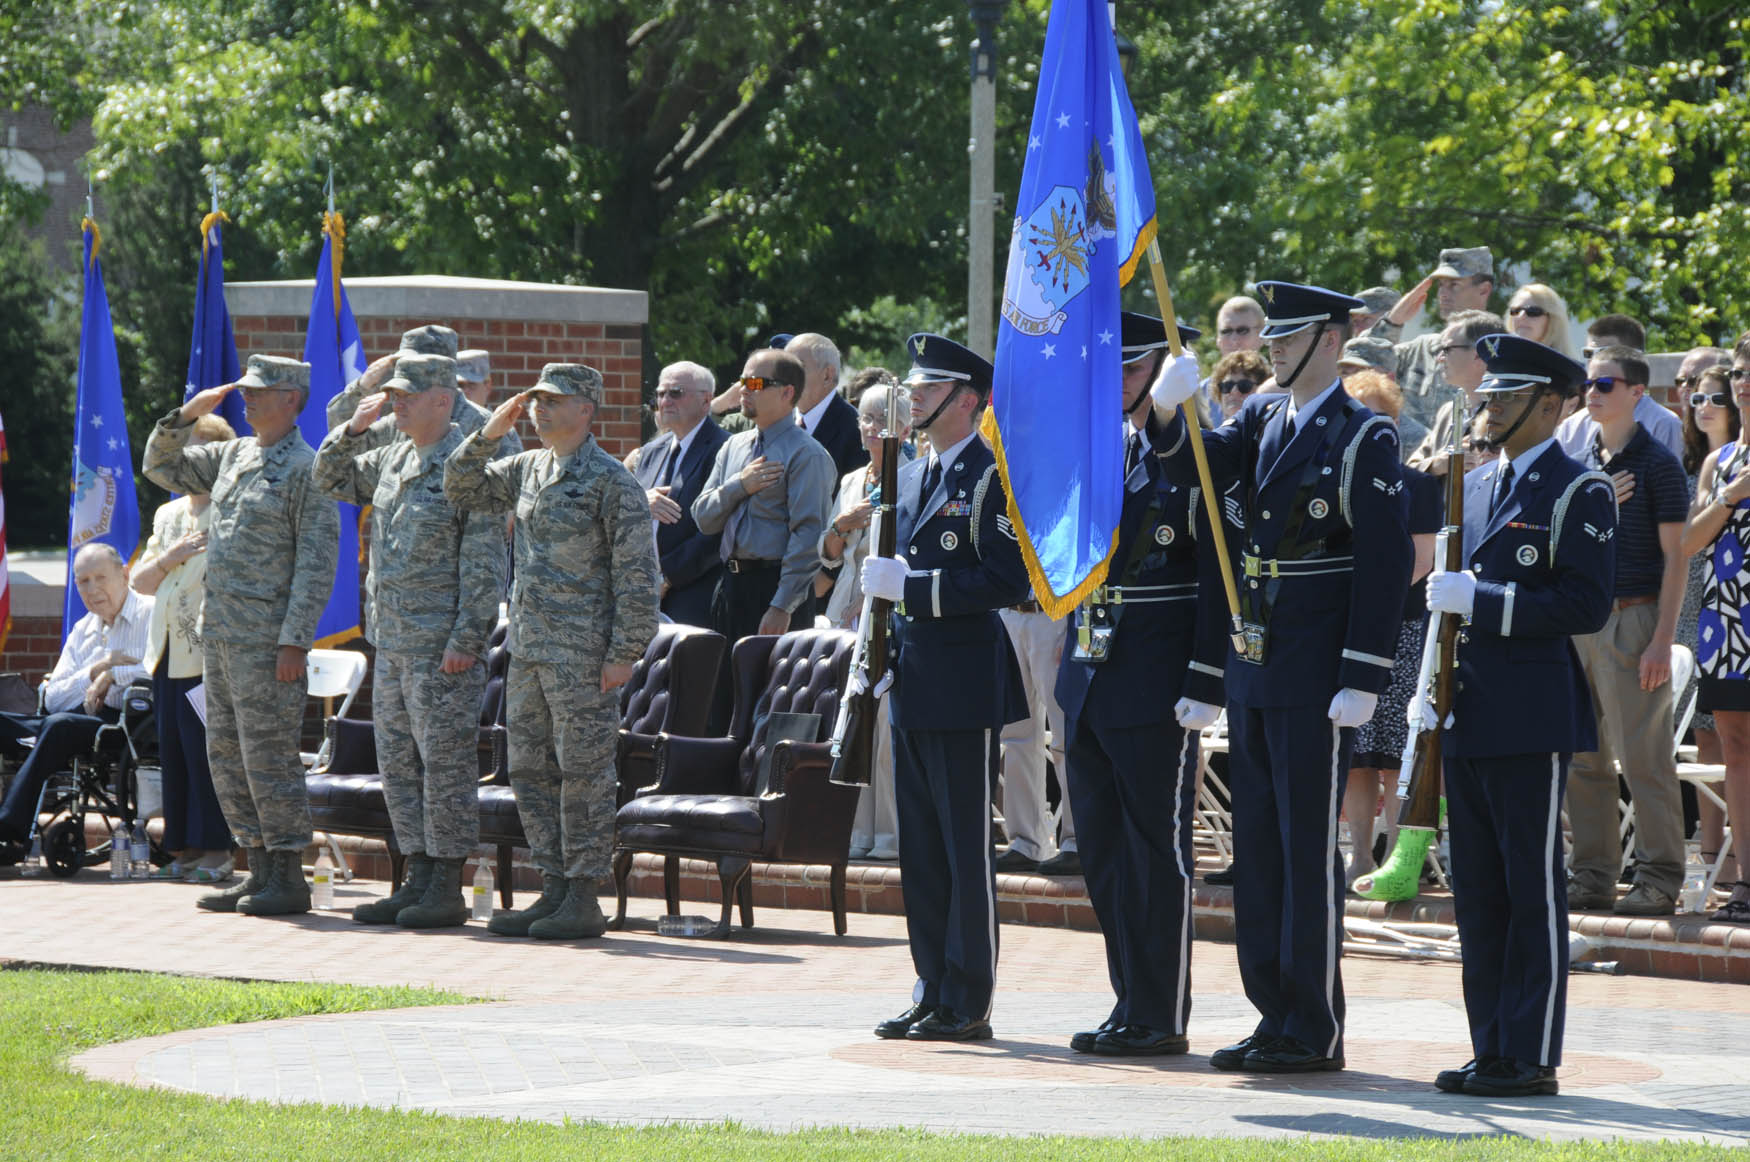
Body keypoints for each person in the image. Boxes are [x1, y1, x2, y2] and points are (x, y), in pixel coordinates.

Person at [1152, 281, 1413, 1074]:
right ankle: (1272, 1012)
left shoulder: (1362, 437)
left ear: (1330, 341)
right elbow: (1197, 467)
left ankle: (1313, 1023)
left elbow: (1384, 561)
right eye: (1269, 337)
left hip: (1317, 669)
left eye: (1287, 337)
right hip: (1256, 659)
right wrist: (1175, 412)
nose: (1269, 350)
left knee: (1306, 849)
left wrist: (1364, 669)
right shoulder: (1261, 418)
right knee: (1259, 850)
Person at [1424, 332, 1615, 1097]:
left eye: (1505, 396)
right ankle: (1491, 1044)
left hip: (1531, 712)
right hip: (1468, 706)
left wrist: (1486, 601)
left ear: (1549, 402)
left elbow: (1584, 603)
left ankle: (1530, 1053)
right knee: (1477, 889)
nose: (1489, 406)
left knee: (1529, 886)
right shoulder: (1481, 482)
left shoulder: (1579, 490)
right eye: (1488, 395)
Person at [1053, 312, 1229, 1057]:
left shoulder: (1191, 447)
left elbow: (1220, 569)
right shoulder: (1102, 445)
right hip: (1088, 672)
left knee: (1156, 852)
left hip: (1158, 675)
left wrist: (1207, 673)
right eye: (1114, 371)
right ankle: (1130, 998)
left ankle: (1161, 1011)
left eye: (1134, 371)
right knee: (1102, 850)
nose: (1120, 384)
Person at [444, 363, 660, 939]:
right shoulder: (527, 467)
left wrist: (625, 652)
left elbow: (637, 576)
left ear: (586, 410)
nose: (538, 408)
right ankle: (555, 887)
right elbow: (459, 487)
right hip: (532, 649)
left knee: (583, 773)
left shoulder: (611, 481)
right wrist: (490, 432)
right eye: (535, 398)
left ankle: (583, 895)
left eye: (553, 400)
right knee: (531, 770)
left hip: (585, 656)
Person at [860, 333, 1030, 1042]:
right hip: (916, 676)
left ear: (965, 399)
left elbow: (1006, 580)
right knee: (921, 847)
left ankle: (969, 996)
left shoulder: (991, 476)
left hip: (963, 679)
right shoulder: (920, 473)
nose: (915, 398)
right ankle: (931, 983)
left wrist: (915, 589)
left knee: (963, 846)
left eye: (927, 390)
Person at [314, 353, 508, 929]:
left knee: (443, 766)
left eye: (407, 394)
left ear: (442, 401)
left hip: (442, 648)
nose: (395, 402)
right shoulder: (395, 456)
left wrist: (467, 639)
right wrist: (351, 427)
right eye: (393, 393)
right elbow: (328, 476)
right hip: (394, 643)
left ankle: (446, 883)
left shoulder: (469, 464)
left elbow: (484, 564)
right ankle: (416, 876)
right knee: (398, 765)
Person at [142, 354, 340, 916]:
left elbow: (316, 563)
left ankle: (287, 874)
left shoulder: (308, 468)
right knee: (227, 756)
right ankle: (255, 867)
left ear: (291, 400)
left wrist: (294, 641)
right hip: (220, 637)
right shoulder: (232, 455)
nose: (247, 399)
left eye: (260, 391)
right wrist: (183, 416)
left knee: (269, 757)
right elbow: (161, 467)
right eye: (246, 390)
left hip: (267, 642)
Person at [1562, 346, 1689, 916]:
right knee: (1583, 757)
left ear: (1637, 393)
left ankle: (1660, 877)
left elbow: (1678, 560)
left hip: (1633, 618)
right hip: (1580, 620)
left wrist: (1661, 639)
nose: (1592, 392)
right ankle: (1592, 874)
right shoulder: (1581, 462)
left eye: (1605, 384)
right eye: (1589, 383)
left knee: (1645, 758)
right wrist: (1594, 503)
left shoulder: (1659, 465)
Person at [691, 347, 836, 731]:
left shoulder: (807, 455)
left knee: (773, 701)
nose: (744, 390)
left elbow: (807, 536)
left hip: (774, 589)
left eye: (755, 383)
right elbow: (703, 518)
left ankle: (768, 788)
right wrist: (739, 486)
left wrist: (782, 604)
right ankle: (723, 787)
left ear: (787, 393)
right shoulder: (733, 447)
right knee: (724, 703)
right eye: (742, 382)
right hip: (730, 586)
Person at [1339, 372, 1440, 890]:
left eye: (1378, 416)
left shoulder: (1419, 486)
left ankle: (1402, 857)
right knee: (1356, 755)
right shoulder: (1333, 484)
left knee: (1396, 753)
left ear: (1396, 424)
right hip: (1347, 631)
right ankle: (1359, 855)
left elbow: (1418, 563)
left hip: (1401, 632)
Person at [132, 413, 236, 883]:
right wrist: (171, 558)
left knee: (205, 752)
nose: (182, 462)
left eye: (192, 452)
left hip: (208, 654)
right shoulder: (169, 514)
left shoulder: (233, 509)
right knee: (173, 750)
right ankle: (186, 847)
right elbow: (140, 581)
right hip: (165, 652)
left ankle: (218, 849)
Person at [0, 545, 153, 859]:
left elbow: (161, 671)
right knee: (44, 722)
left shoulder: (151, 613)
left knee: (59, 724)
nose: (92, 589)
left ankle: (9, 830)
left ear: (124, 575)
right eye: (83, 581)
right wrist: (95, 670)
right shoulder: (82, 630)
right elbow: (55, 697)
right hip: (71, 719)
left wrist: (114, 674)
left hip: (126, 722)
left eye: (100, 578)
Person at [820, 377, 912, 861]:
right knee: (851, 722)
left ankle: (891, 834)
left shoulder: (913, 474)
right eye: (867, 419)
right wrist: (842, 524)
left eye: (883, 421)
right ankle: (856, 831)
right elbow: (829, 556)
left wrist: (870, 604)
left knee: (885, 729)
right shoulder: (852, 481)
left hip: (887, 615)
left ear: (905, 426)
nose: (873, 429)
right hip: (842, 615)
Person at [1681, 338, 1750, 925]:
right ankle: (1745, 882)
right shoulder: (1720, 461)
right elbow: (1690, 540)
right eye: (1744, 372)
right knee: (1735, 749)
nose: (1747, 383)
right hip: (1726, 622)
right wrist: (1732, 495)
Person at [1677, 359, 1735, 884]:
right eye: (1697, 399)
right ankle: (1715, 857)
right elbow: (1688, 539)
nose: (1706, 408)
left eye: (1715, 398)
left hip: (1725, 608)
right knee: (1712, 738)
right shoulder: (1711, 463)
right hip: (1708, 612)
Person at [631, 361, 730, 628]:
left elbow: (717, 531)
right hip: (638, 594)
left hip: (693, 594)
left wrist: (667, 577)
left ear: (706, 400)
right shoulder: (652, 451)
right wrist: (641, 503)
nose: (665, 400)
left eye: (676, 392)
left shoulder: (724, 449)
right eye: (660, 394)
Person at [1366, 246, 1496, 432]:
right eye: (1441, 285)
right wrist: (1392, 322)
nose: (1443, 294)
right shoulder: (1421, 349)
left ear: (1484, 290)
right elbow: (1362, 361)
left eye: (1454, 285)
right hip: (1414, 459)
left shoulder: (1501, 352)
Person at [1556, 319, 1682, 461]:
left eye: (1607, 353)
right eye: (1588, 353)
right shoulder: (1572, 426)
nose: (1595, 360)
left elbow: (1668, 479)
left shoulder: (1663, 423)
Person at [1406, 310, 1504, 474]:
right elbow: (1409, 471)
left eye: (1447, 349)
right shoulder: (1448, 412)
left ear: (1479, 355)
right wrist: (1439, 464)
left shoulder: (1508, 412)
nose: (1440, 358)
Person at [787, 333, 870, 483]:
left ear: (827, 375)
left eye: (797, 367)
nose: (786, 377)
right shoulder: (779, 418)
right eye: (785, 368)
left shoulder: (856, 431)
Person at [1504, 284, 1578, 360]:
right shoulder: (1498, 361)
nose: (1521, 316)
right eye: (1516, 311)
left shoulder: (1569, 369)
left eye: (1533, 311)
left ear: (1553, 320)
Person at [1209, 350, 1270, 423]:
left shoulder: (1275, 433)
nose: (1234, 391)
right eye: (1227, 386)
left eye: (1244, 385)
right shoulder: (1208, 434)